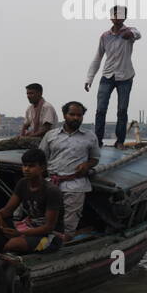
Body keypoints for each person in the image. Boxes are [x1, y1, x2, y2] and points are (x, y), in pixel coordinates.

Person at [0, 147, 63, 254]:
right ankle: (3, 250)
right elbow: (7, 211)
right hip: (28, 227)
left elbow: (49, 227)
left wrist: (20, 234)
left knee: (13, 244)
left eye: (31, 166)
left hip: (50, 236)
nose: (26, 169)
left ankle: (5, 252)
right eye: (24, 165)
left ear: (42, 168)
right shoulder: (23, 183)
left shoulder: (51, 191)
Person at [40, 100, 100, 239]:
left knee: (68, 225)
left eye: (79, 115)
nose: (75, 118)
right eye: (72, 114)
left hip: (75, 185)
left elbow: (95, 158)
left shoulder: (90, 136)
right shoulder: (51, 135)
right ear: (64, 115)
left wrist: (87, 165)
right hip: (51, 183)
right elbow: (42, 158)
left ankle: (64, 243)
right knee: (45, 218)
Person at [85, 5, 142, 147]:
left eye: (121, 15)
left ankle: (120, 141)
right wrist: (89, 78)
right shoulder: (105, 36)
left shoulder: (130, 32)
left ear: (125, 17)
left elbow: (138, 34)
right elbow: (97, 58)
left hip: (125, 77)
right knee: (100, 109)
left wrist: (131, 35)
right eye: (115, 15)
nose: (117, 18)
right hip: (107, 76)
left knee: (122, 110)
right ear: (111, 17)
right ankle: (98, 141)